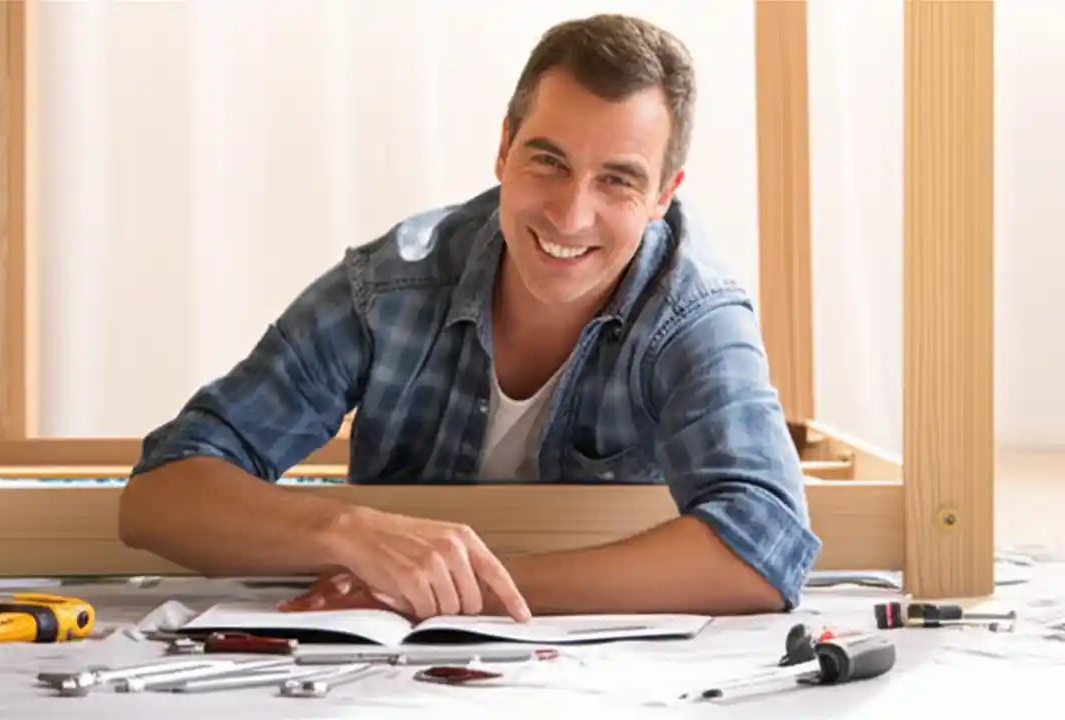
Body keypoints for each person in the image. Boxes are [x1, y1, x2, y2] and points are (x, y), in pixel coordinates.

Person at [119, 13, 819, 622]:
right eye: (548, 161)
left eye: (617, 180)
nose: (571, 215)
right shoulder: (389, 286)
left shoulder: (693, 312)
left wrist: (476, 587)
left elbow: (764, 546)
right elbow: (158, 496)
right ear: (504, 147)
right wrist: (348, 531)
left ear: (666, 194)